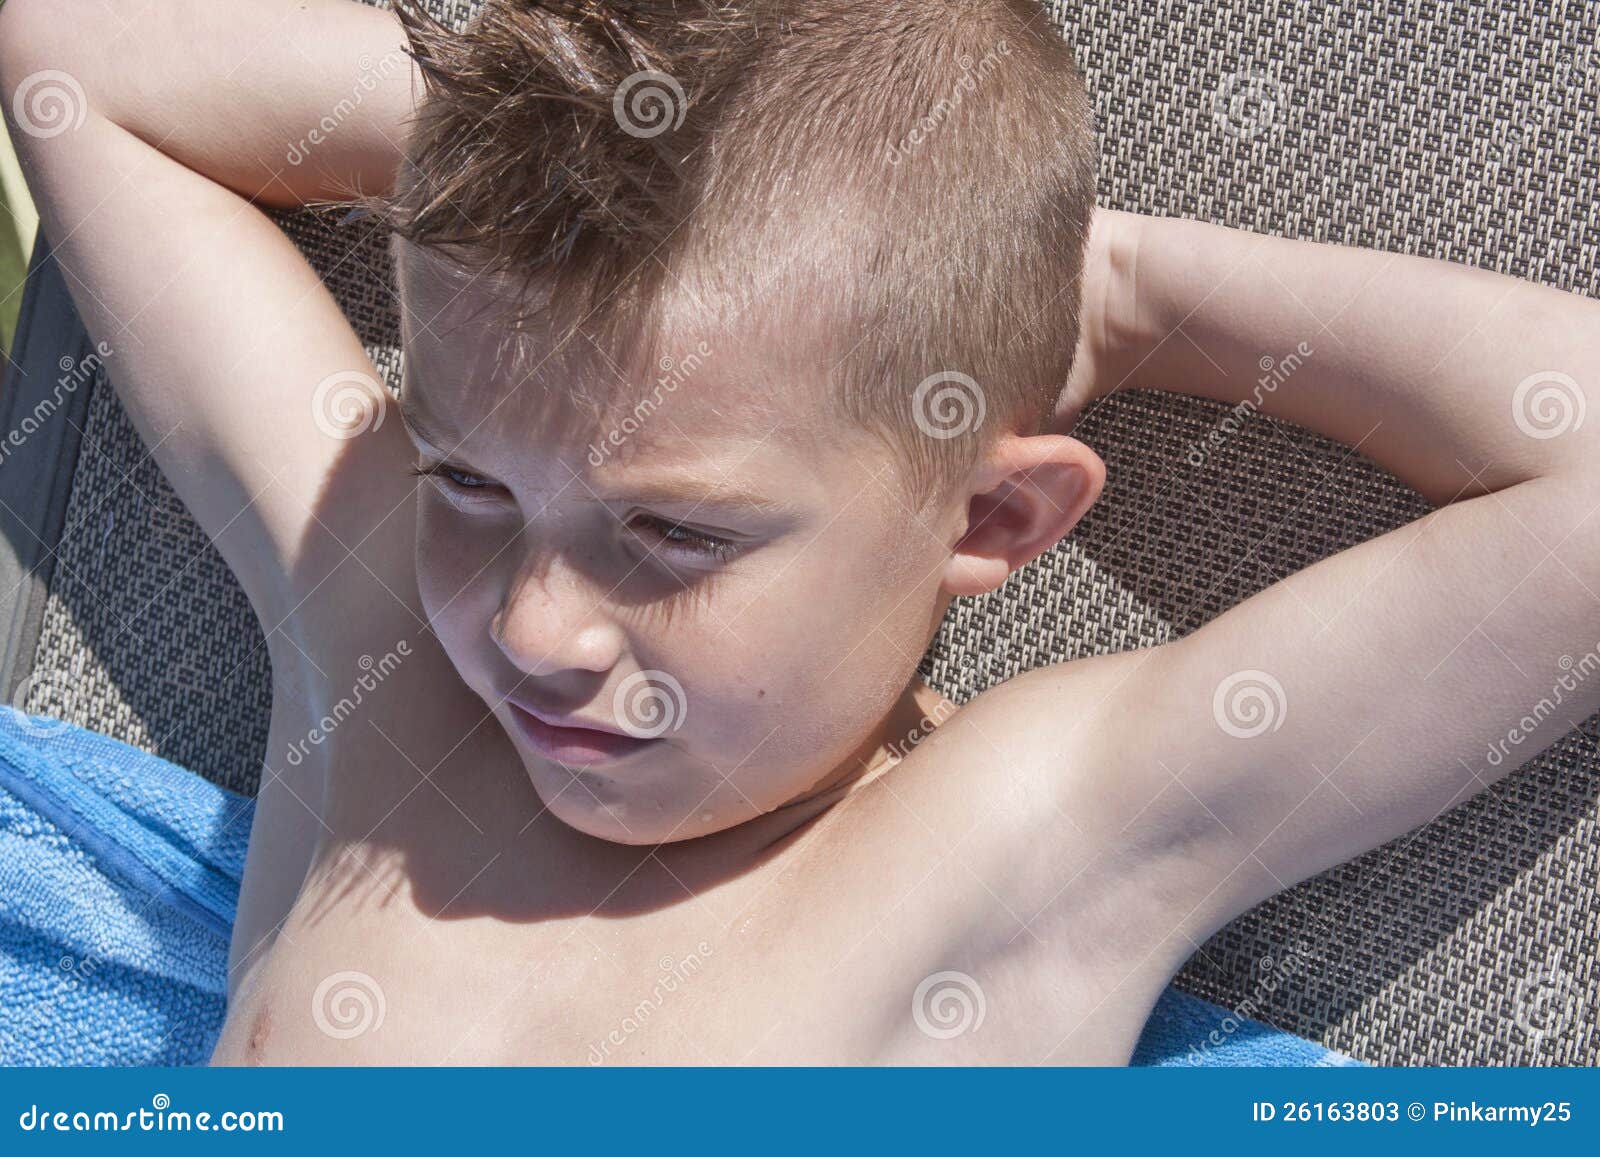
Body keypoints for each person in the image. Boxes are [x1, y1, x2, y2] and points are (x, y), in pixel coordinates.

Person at [2, 0, 1594, 1064]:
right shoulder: (388, 648)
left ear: (991, 513)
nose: (532, 624)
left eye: (674, 532)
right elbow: (81, 67)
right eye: (470, 484)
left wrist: (1105, 288)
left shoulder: (1036, 833)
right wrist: (578, 147)